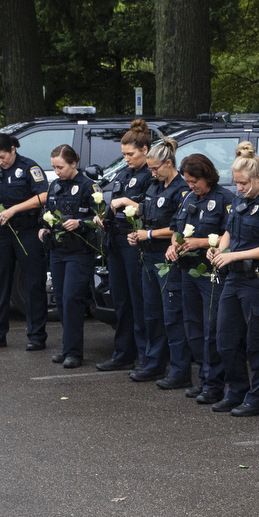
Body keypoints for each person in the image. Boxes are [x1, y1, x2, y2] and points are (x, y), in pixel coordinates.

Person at [209, 144, 259, 416]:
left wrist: (233, 256)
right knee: (225, 339)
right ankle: (236, 391)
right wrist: (220, 249)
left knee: (257, 343)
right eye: (236, 183)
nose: (239, 188)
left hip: (256, 280)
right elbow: (228, 231)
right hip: (233, 279)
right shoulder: (239, 202)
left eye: (244, 183)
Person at [0, 132, 49, 351]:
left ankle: (37, 336)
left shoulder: (28, 168)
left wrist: (14, 209)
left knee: (33, 282)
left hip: (26, 230)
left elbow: (43, 196)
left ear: (13, 150)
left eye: (2, 157)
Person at [171, 153, 235, 405]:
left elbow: (232, 237)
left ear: (206, 176)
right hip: (188, 269)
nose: (190, 186)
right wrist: (174, 245)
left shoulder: (224, 199)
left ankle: (215, 384)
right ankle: (205, 379)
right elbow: (177, 228)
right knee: (193, 327)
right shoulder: (187, 197)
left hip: (211, 272)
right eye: (187, 181)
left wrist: (201, 241)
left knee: (211, 329)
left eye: (194, 181)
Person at [95, 119, 155, 374]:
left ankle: (146, 356)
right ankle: (123, 353)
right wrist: (103, 216)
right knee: (120, 300)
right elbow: (112, 204)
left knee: (138, 299)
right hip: (116, 240)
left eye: (130, 154)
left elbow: (151, 207)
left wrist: (126, 202)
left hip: (135, 242)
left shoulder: (150, 175)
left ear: (144, 150)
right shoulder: (123, 173)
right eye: (124, 154)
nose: (126, 158)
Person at [135, 138, 192, 387]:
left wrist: (148, 234)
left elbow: (177, 228)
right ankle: (153, 364)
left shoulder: (181, 189)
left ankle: (179, 371)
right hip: (148, 256)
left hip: (167, 258)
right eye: (150, 169)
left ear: (168, 163)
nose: (152, 172)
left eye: (156, 168)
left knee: (172, 315)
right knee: (152, 314)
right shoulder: (155, 186)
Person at [41, 145, 102, 369]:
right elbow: (47, 213)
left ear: (73, 163)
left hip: (80, 251)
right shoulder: (55, 185)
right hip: (58, 250)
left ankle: (74, 353)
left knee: (71, 299)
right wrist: (44, 228)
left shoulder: (88, 186)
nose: (57, 171)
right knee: (60, 300)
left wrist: (80, 223)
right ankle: (68, 348)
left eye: (61, 167)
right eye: (54, 167)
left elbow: (101, 217)